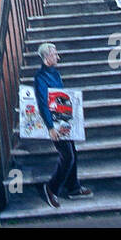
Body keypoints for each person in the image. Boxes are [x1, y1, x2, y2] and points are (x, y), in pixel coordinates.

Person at [34, 42, 92, 207]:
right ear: (46, 57)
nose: (58, 57)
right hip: (53, 124)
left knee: (72, 152)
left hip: (64, 120)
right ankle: (51, 188)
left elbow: (62, 97)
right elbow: (42, 103)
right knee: (67, 156)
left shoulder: (56, 74)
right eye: (54, 54)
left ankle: (73, 187)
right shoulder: (40, 77)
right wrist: (50, 127)